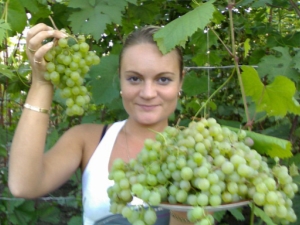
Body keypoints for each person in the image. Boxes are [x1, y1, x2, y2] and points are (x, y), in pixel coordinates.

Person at [8, 23, 188, 225]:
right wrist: (41, 83)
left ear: (180, 81)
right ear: (119, 78)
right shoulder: (87, 140)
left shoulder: (195, 154)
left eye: (163, 80)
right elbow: (23, 185)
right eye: (134, 78)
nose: (147, 93)